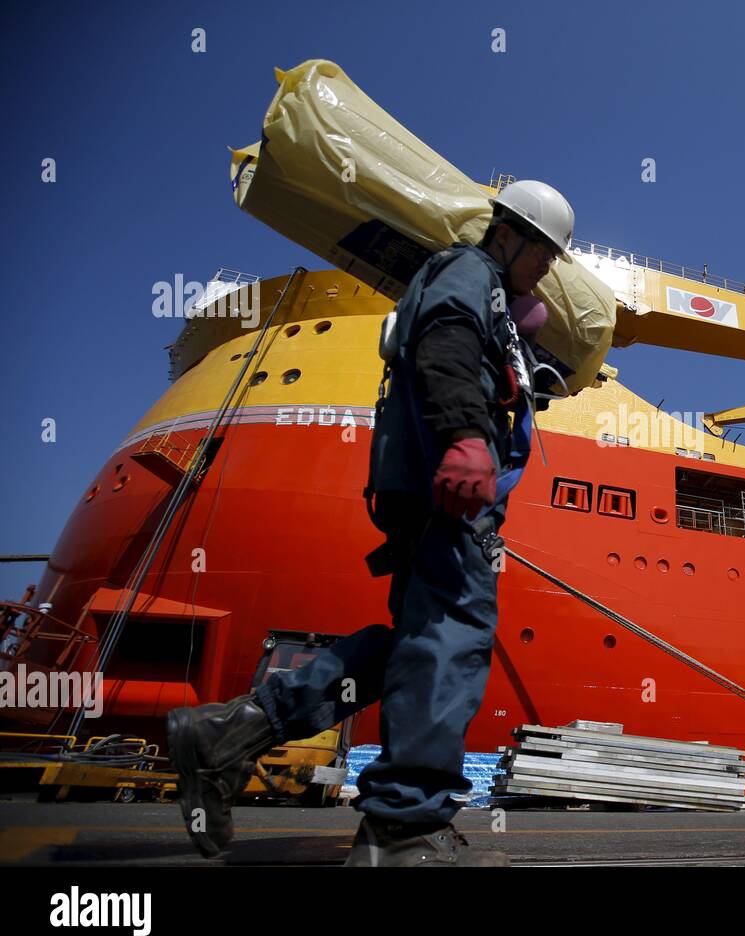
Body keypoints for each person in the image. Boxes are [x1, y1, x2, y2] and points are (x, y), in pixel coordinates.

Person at [165, 180, 574, 867]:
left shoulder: (488, 293)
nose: (549, 267)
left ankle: (228, 732)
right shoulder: (467, 272)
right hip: (446, 496)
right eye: (545, 251)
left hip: (422, 494)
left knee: (410, 649)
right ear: (510, 233)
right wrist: (467, 438)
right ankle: (404, 830)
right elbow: (445, 343)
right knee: (450, 639)